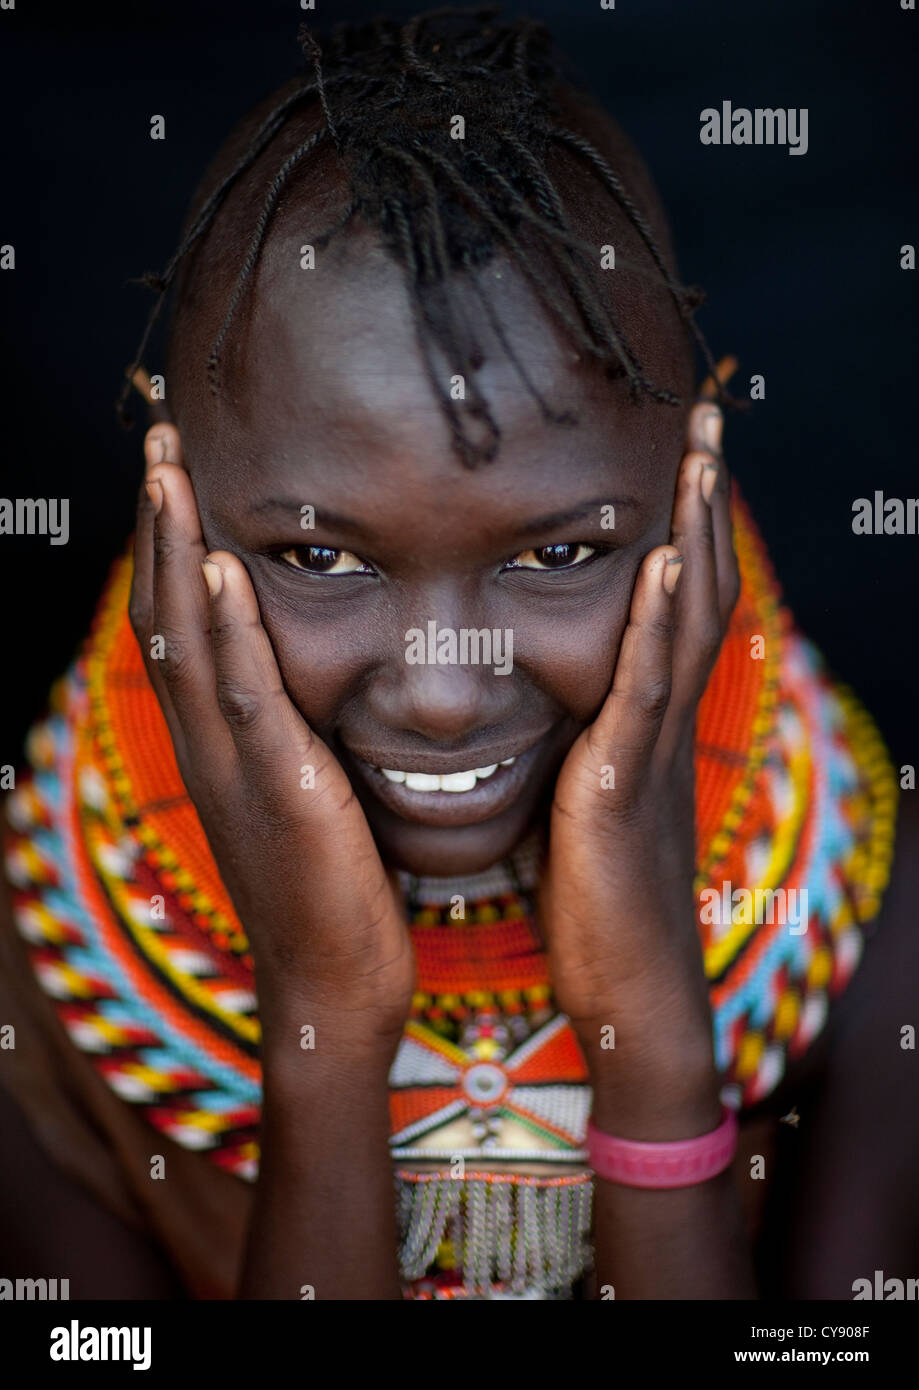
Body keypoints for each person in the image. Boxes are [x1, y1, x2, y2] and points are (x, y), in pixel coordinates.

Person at [0, 7, 912, 1301]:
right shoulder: (41, 968)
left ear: (694, 490)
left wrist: (654, 1025)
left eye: (559, 553)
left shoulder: (864, 918)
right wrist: (324, 1025)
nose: (440, 690)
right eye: (321, 558)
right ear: (175, 506)